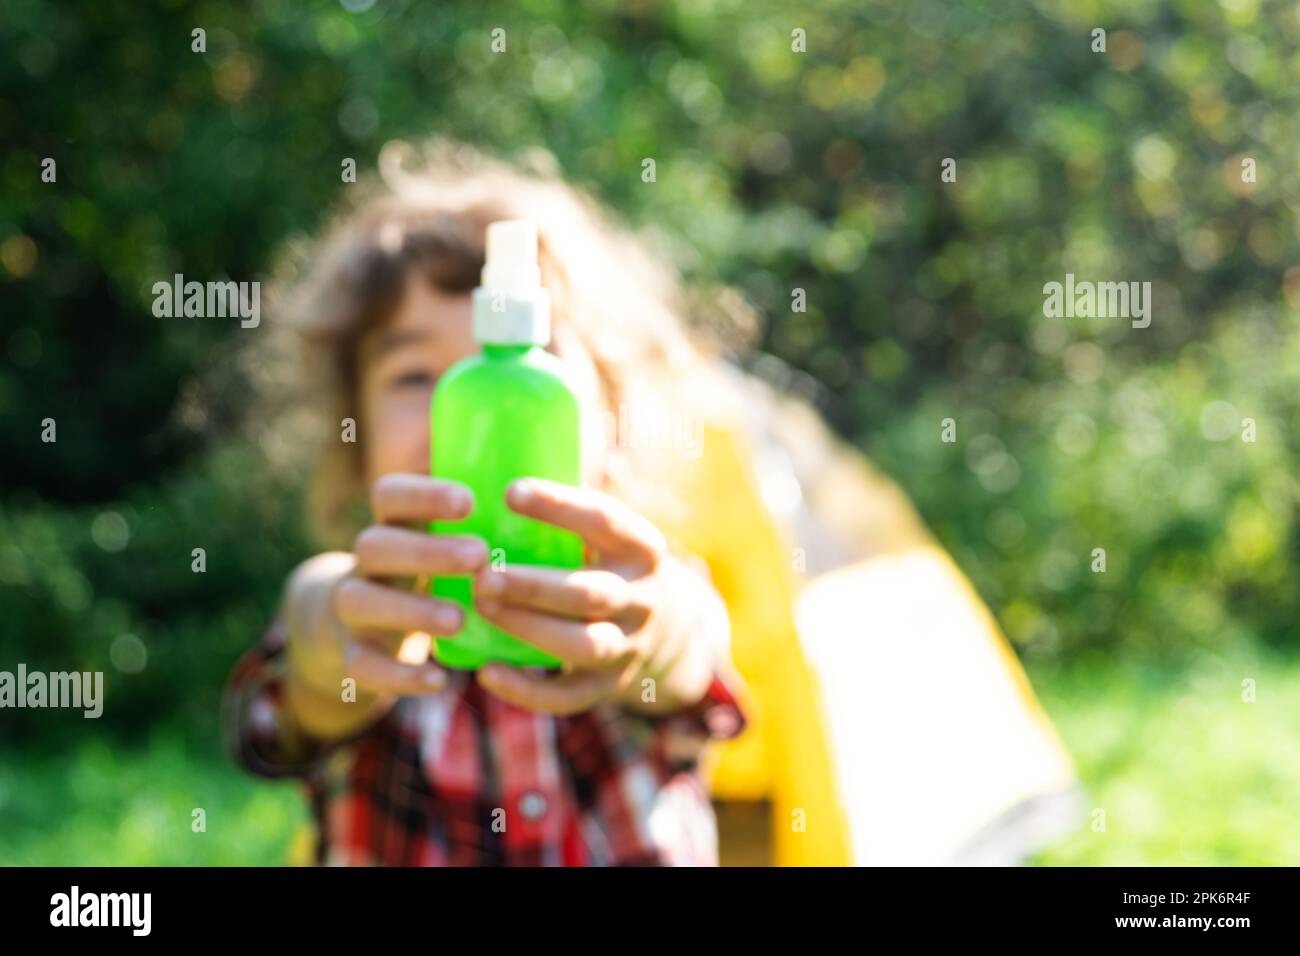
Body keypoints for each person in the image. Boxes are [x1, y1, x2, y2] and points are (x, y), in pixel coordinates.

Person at [223, 138, 1079, 866]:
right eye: (415, 375)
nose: (479, 409)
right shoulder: (358, 603)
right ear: (352, 428)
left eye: (536, 365)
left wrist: (647, 638)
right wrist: (326, 645)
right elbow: (284, 715)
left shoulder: (640, 590)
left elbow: (688, 649)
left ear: (614, 413)